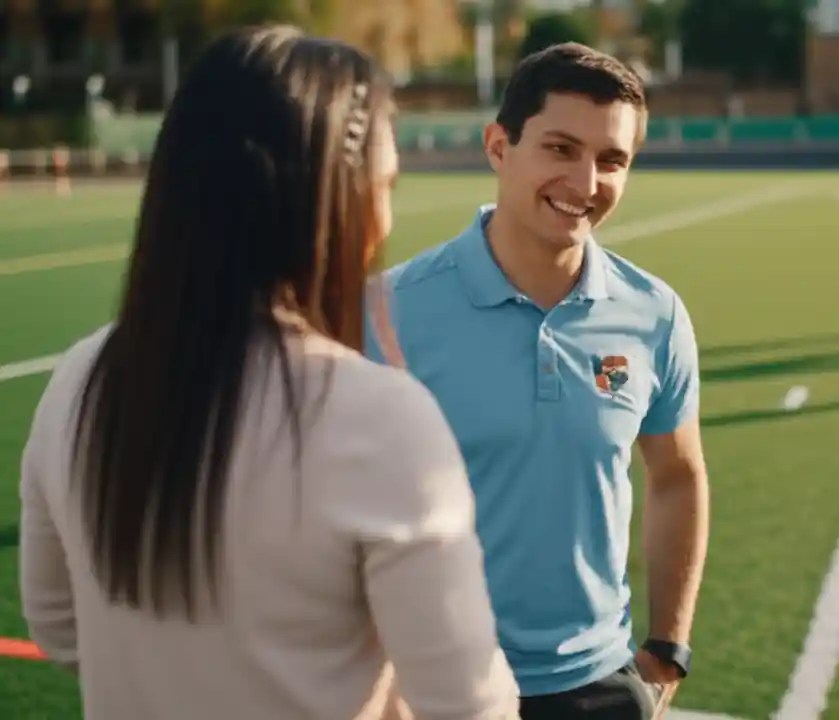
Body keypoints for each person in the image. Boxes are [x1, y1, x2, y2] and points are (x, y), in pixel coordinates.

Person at [19, 26, 519, 720]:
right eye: (386, 185)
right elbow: (468, 706)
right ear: (342, 201)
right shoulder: (378, 419)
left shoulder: (79, 379)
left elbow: (56, 625)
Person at [368, 43, 709, 719]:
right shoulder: (388, 312)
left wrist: (668, 648)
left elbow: (677, 474)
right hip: (434, 686)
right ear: (500, 146)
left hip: (601, 685)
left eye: (612, 160)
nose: (586, 183)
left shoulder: (654, 314)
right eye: (560, 149)